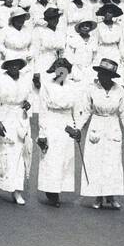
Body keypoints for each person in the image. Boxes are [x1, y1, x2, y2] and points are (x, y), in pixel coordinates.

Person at [80, 57, 124, 209]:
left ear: (111, 76)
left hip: (113, 126)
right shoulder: (92, 88)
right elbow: (86, 111)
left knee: (112, 163)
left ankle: (111, 196)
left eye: (106, 74)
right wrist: (78, 128)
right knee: (95, 162)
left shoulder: (119, 90)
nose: (102, 77)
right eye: (101, 73)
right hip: (96, 124)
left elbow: (123, 114)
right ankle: (97, 197)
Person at [36, 56, 87, 207]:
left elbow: (77, 109)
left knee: (65, 158)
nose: (61, 74)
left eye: (64, 71)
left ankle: (59, 188)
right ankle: (51, 192)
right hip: (52, 121)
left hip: (66, 123)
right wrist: (42, 133)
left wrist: (77, 128)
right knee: (51, 158)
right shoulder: (46, 86)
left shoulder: (73, 87)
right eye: (58, 71)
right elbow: (43, 111)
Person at [0, 55, 33, 206]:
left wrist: (28, 104)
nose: (14, 67)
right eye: (11, 65)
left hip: (20, 117)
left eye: (17, 65)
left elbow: (31, 96)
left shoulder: (26, 78)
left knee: (20, 154)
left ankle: (17, 191)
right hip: (5, 115)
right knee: (3, 152)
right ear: (7, 66)